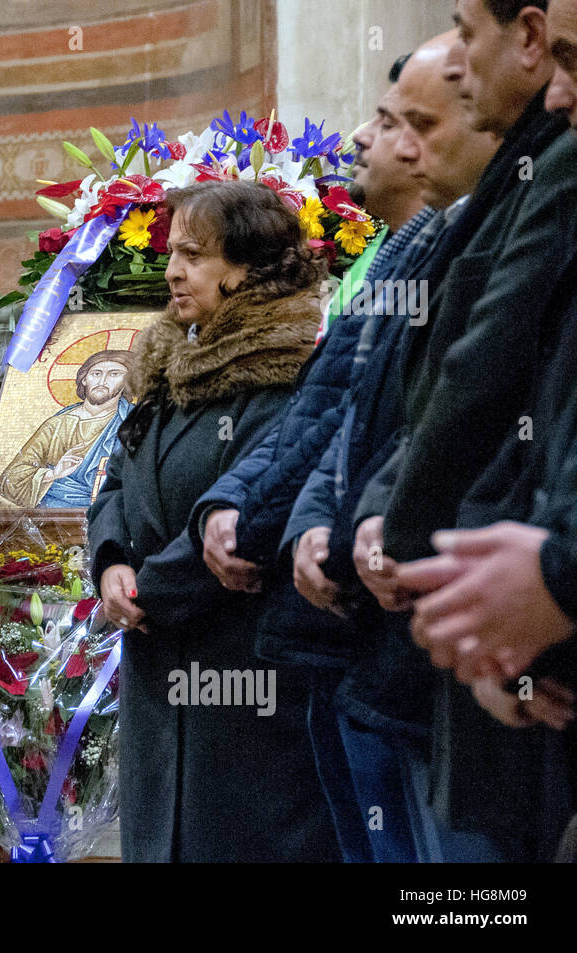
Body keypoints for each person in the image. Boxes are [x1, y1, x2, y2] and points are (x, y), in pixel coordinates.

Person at [189, 52, 438, 863]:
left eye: (397, 121)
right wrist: (231, 506)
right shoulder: (395, 255)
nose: (362, 137)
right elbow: (330, 410)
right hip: (344, 624)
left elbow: (437, 421)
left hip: (412, 628)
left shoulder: (446, 249)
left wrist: (336, 525)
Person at [354, 0, 577, 862]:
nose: (560, 95)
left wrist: (428, 556)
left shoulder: (547, 169)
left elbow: (482, 382)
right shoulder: (442, 227)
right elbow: (375, 405)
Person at [284, 33, 502, 863]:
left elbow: (463, 413)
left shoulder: (478, 235)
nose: (385, 141)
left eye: (416, 121)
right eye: (386, 118)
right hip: (376, 617)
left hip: (450, 620)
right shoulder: (404, 253)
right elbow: (341, 414)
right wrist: (317, 525)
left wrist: (366, 524)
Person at [87, 179, 337, 862]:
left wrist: (146, 592)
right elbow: (118, 475)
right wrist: (110, 561)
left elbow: (253, 511)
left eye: (194, 255)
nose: (172, 271)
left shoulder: (285, 373)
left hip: (242, 681)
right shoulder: (172, 361)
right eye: (171, 253)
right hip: (158, 670)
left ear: (246, 269)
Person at [0, 349, 132, 507]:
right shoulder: (57, 425)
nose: (102, 380)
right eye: (96, 373)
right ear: (84, 380)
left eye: (114, 374)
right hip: (56, 517)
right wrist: (52, 474)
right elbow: (9, 480)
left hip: (118, 516)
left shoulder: (137, 421)